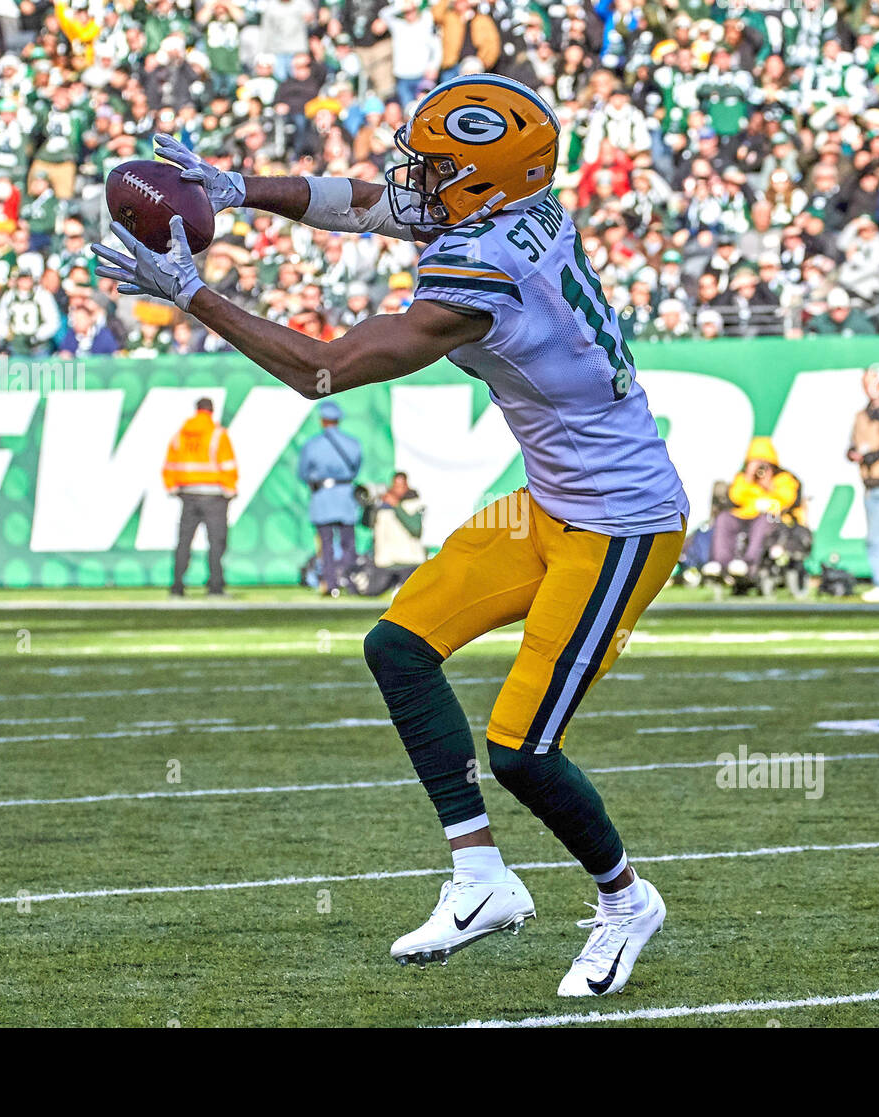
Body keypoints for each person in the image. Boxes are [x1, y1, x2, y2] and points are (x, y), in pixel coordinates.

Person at [93, 75, 688, 998]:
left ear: (484, 182)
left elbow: (324, 371)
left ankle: (625, 901)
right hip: (547, 501)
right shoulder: (515, 212)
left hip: (621, 524)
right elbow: (369, 203)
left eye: (441, 167)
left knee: (523, 748)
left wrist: (191, 295)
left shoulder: (483, 271)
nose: (416, 178)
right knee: (398, 648)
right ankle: (481, 875)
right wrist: (236, 188)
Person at [162, 397, 238, 597]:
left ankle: (177, 586)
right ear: (211, 411)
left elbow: (169, 464)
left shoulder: (181, 435)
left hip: (187, 494)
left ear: (196, 410)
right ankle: (215, 586)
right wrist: (230, 489)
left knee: (184, 541)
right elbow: (228, 465)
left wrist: (171, 487)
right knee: (216, 542)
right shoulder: (217, 434)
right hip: (214, 495)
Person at [702, 436, 800, 583]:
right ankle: (721, 563)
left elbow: (788, 500)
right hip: (745, 515)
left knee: (763, 521)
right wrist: (749, 477)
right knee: (724, 518)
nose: (760, 468)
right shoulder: (743, 479)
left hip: (772, 519)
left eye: (764, 463)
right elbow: (735, 497)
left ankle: (749, 563)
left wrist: (768, 486)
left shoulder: (784, 478)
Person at [297, 400, 363, 597]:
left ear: (323, 421)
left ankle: (330, 583)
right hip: (345, 497)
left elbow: (303, 472)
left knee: (326, 544)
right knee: (348, 542)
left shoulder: (312, 445)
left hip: (322, 498)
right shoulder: (353, 443)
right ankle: (349, 580)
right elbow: (356, 468)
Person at [848, 369, 879, 602]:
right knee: (875, 536)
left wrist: (874, 455)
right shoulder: (862, 415)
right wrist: (853, 454)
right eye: (866, 383)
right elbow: (853, 443)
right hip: (870, 482)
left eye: (874, 383)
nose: (870, 388)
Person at [366, 470, 427, 592]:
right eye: (395, 486)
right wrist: (371, 505)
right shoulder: (382, 506)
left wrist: (396, 506)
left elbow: (415, 529)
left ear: (407, 486)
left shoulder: (414, 504)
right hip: (385, 563)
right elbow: (367, 524)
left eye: (401, 486)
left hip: (409, 563)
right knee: (371, 591)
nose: (397, 490)